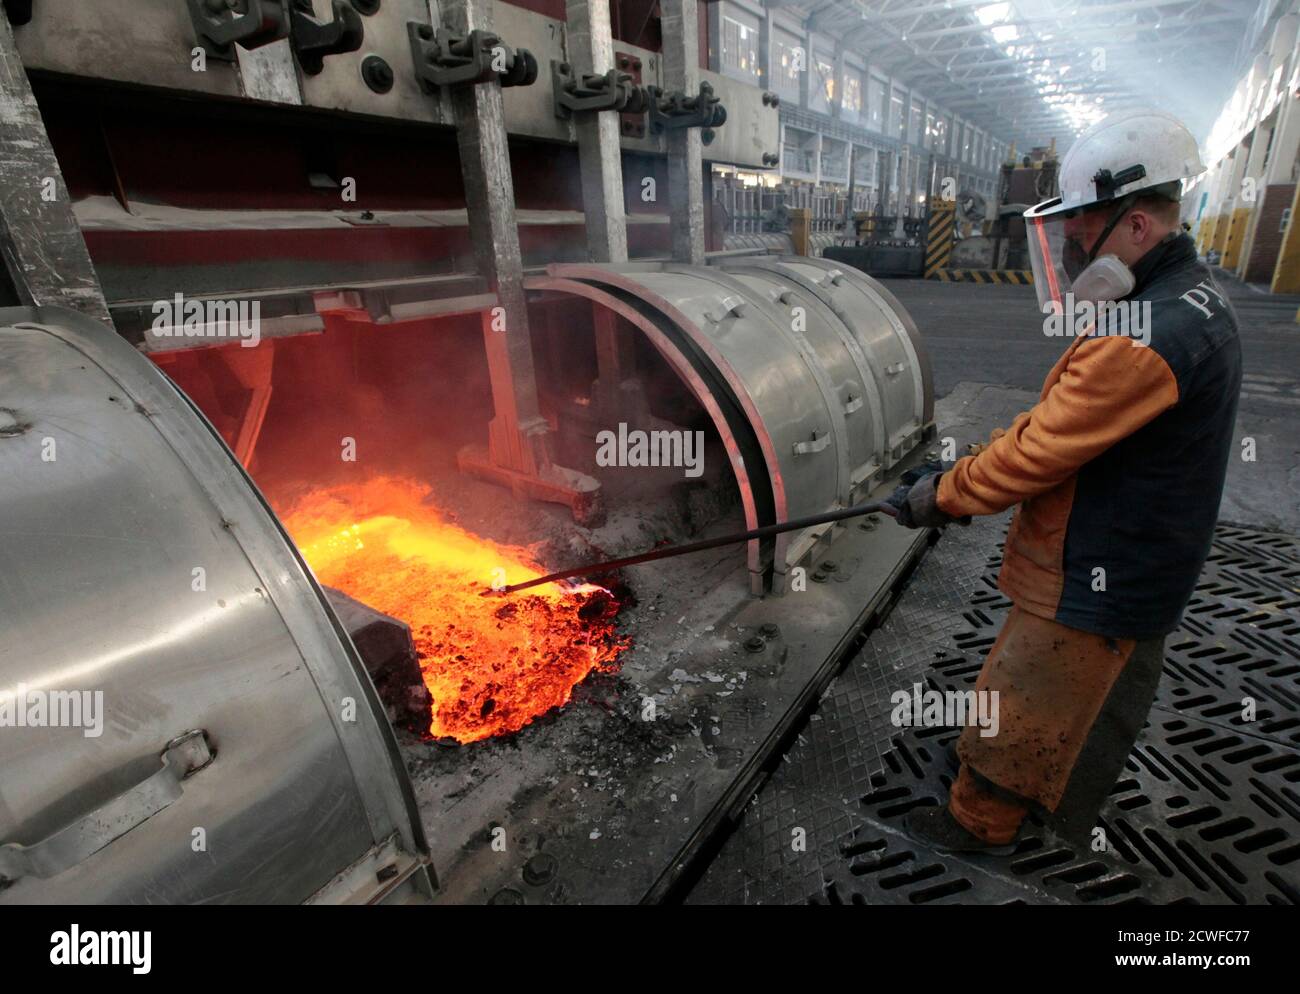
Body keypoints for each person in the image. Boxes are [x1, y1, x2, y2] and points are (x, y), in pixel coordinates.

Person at [891, 109, 1243, 852]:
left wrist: (942, 495)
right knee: (1032, 693)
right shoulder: (1181, 299)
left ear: (1139, 226)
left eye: (1086, 228)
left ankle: (976, 829)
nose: (1076, 246)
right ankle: (997, 803)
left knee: (1028, 701)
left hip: (1102, 564)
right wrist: (958, 470)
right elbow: (1060, 422)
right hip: (1129, 549)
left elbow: (1040, 452)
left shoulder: (1147, 335)